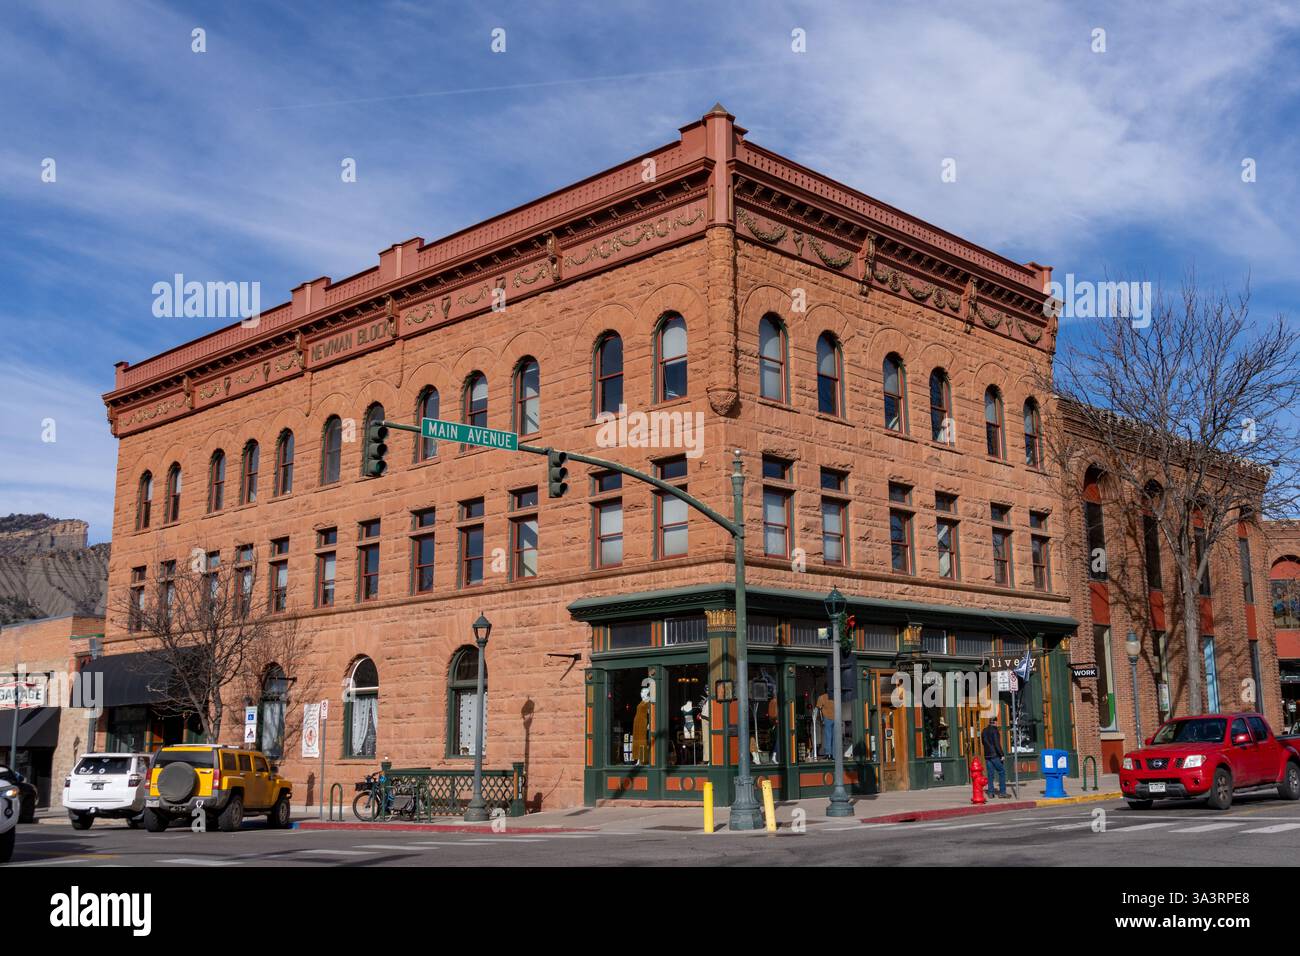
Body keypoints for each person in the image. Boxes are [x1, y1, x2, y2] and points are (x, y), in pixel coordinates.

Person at [981, 717, 1008, 798]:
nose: (997, 723)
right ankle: (1002, 792)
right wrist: (1002, 755)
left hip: (987, 755)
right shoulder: (995, 730)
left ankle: (990, 792)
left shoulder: (984, 731)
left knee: (990, 774)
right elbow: (997, 744)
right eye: (997, 722)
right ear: (995, 722)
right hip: (995, 755)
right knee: (1001, 771)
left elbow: (983, 743)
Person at [816, 691, 836, 759]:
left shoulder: (822, 697)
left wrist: (821, 720)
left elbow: (819, 708)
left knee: (828, 737)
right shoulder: (835, 696)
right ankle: (834, 755)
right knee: (834, 737)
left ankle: (828, 754)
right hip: (836, 718)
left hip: (827, 718)